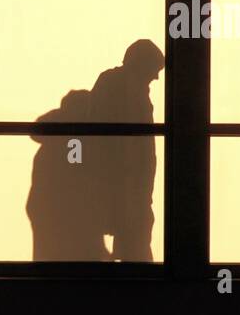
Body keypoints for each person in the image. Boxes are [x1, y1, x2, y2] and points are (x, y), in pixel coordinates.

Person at [26, 40, 164, 262]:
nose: (156, 78)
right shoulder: (72, 144)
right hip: (124, 187)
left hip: (122, 188)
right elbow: (100, 151)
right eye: (153, 70)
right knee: (134, 245)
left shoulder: (61, 148)